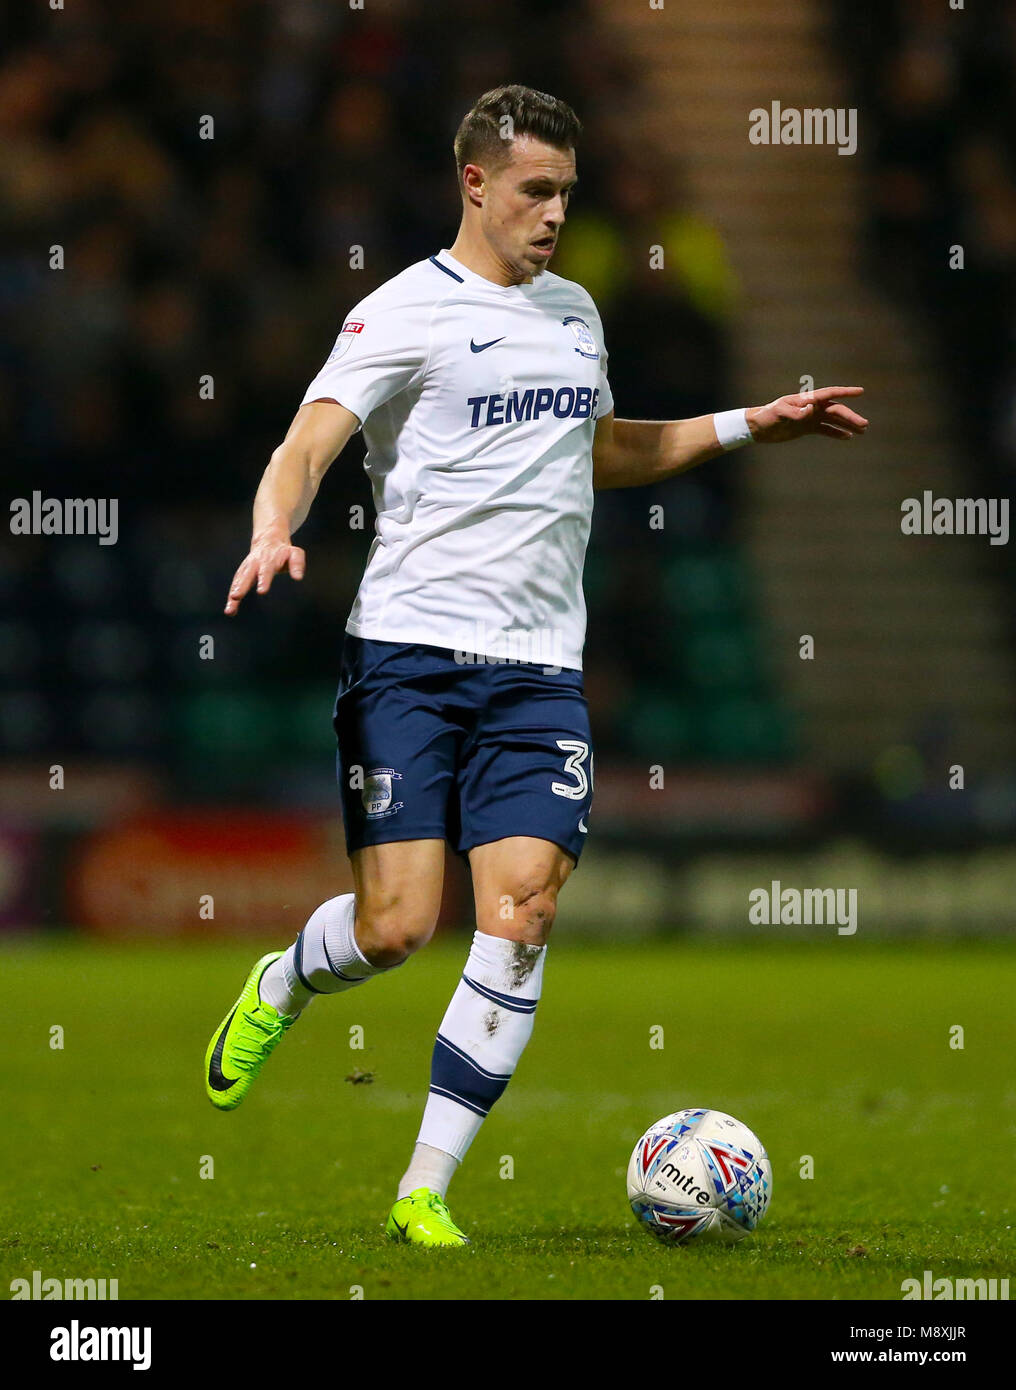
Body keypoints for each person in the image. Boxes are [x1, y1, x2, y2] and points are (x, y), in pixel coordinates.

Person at [203, 84, 867, 1246]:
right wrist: (274, 528)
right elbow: (305, 440)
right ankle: (284, 983)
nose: (555, 212)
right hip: (405, 655)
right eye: (534, 190)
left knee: (519, 911)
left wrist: (745, 424)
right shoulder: (401, 310)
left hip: (536, 671)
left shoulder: (574, 314)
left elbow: (595, 448)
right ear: (474, 183)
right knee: (398, 927)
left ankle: (423, 1187)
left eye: (566, 191)